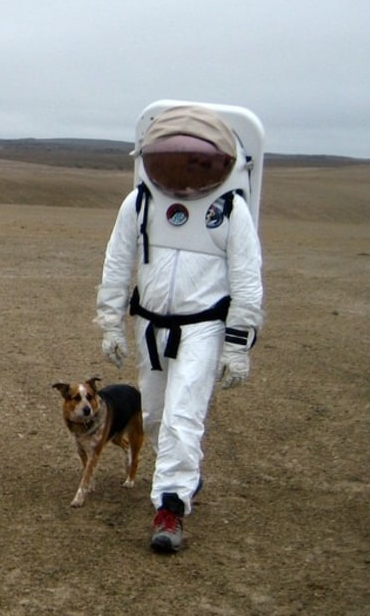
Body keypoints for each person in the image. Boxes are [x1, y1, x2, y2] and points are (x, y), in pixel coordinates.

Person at [94, 104, 264, 553]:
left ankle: (170, 507)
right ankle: (185, 475)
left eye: (196, 162)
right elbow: (117, 262)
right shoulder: (141, 202)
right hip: (151, 325)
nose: (183, 174)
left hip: (202, 327)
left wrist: (237, 344)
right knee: (154, 416)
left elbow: (247, 278)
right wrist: (110, 322)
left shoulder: (230, 209)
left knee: (182, 416)